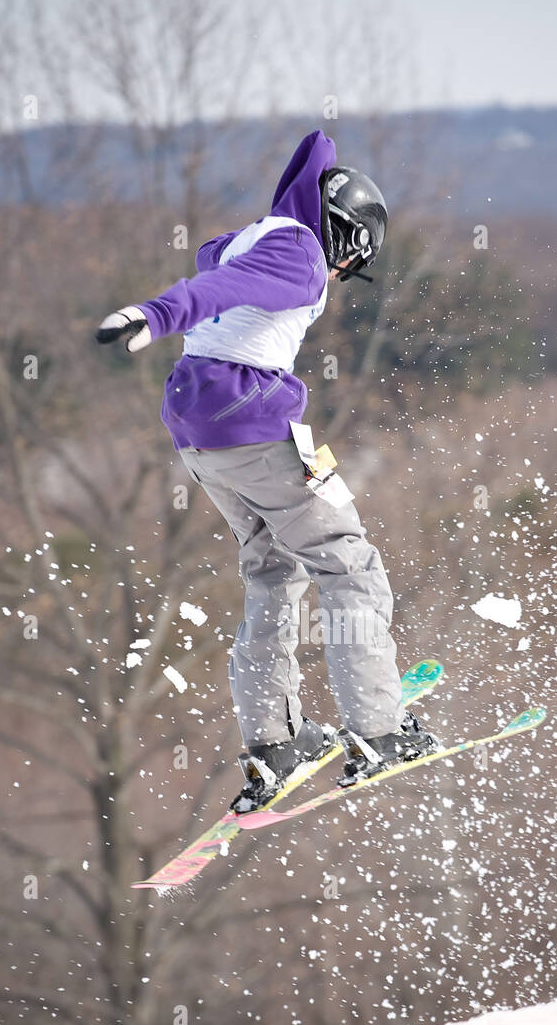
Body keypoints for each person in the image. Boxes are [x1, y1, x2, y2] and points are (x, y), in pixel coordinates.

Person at [95, 130, 436, 811]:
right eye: (352, 263)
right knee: (348, 564)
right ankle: (377, 728)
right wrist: (156, 313)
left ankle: (275, 740)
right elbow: (221, 283)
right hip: (255, 423)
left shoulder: (261, 233)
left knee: (274, 569)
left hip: (200, 435)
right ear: (346, 238)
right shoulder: (300, 251)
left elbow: (220, 262)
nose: (338, 280)